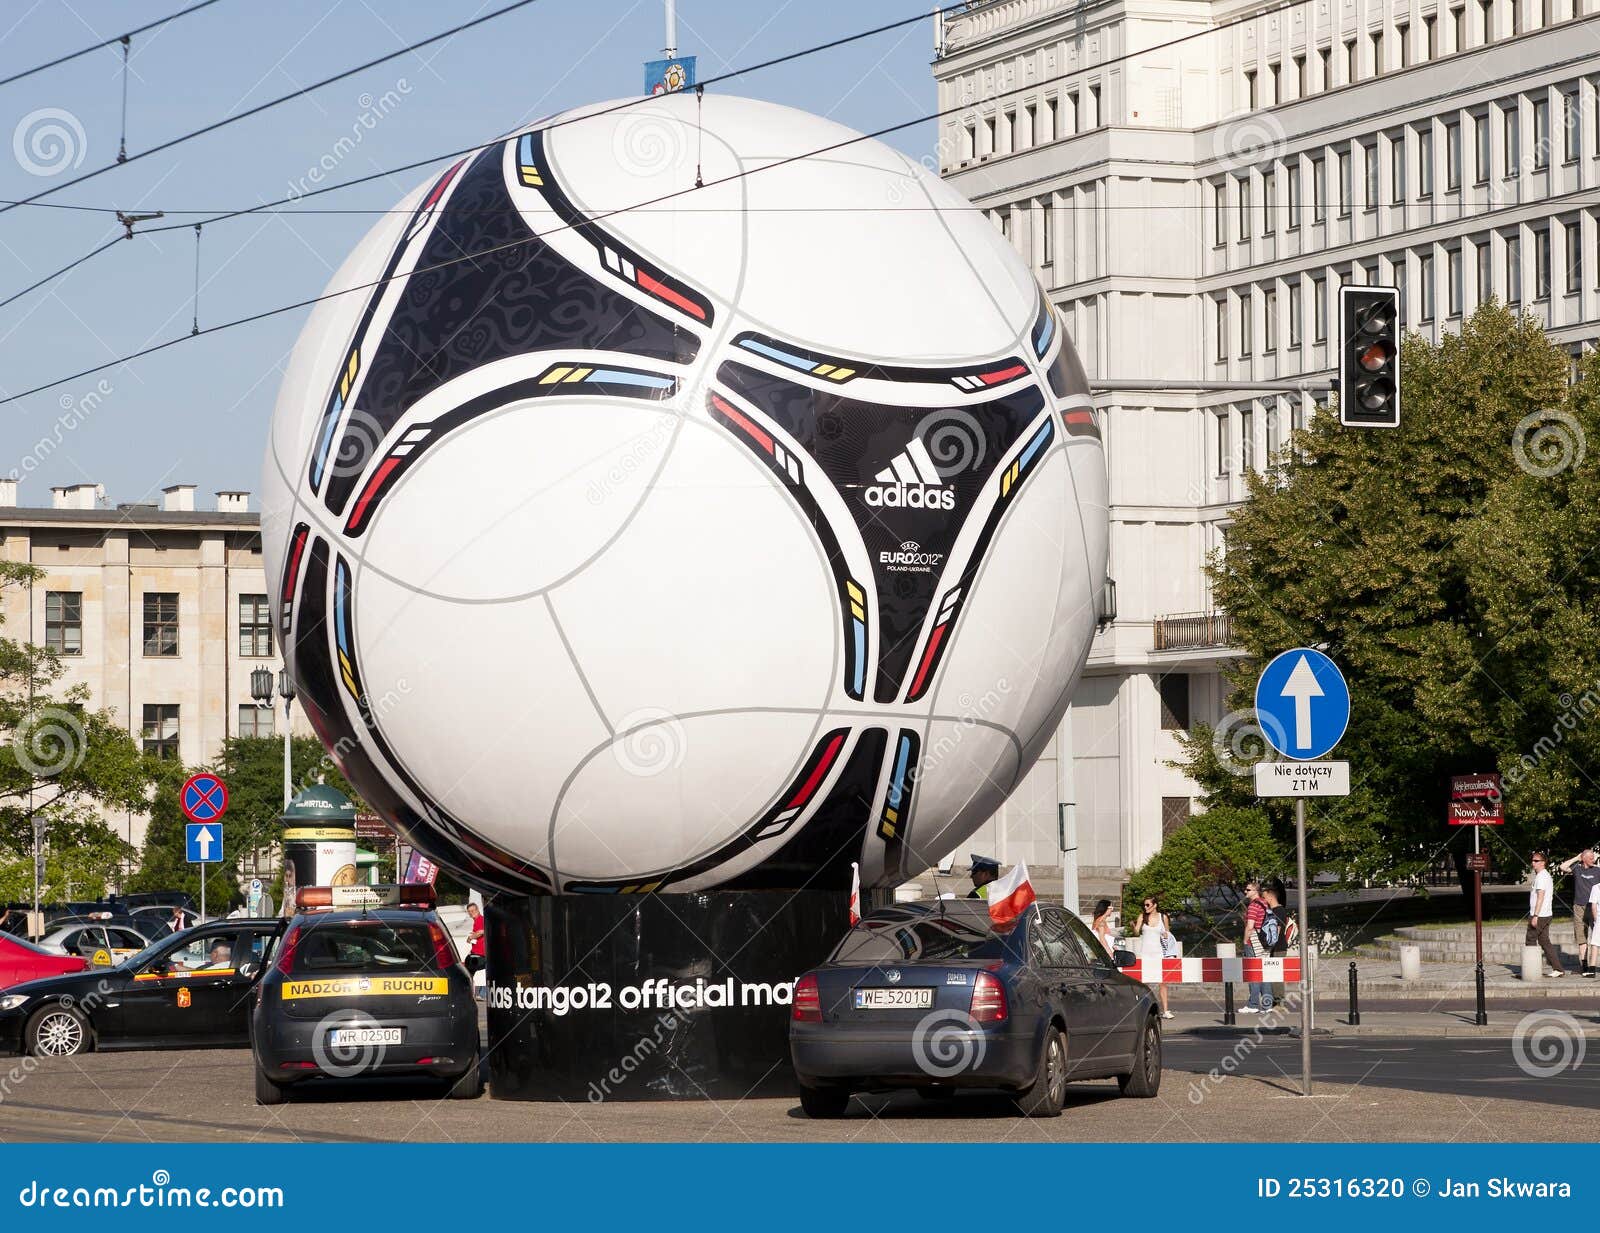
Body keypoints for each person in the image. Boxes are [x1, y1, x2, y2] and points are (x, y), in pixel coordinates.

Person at [1557, 849, 1600, 977]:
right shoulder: (1577, 868)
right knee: (1581, 938)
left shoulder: (1598, 870)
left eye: (1594, 857)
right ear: (1584, 858)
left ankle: (1592, 965)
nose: (1593, 859)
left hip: (1594, 907)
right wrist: (1577, 857)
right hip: (1579, 907)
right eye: (1591, 857)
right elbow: (1562, 867)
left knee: (1597, 936)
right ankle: (1585, 966)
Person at [1133, 895, 1175, 1020]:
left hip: (1159, 953)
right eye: (1144, 905)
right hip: (1145, 953)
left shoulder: (1163, 917)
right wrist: (1133, 926)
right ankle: (1142, 1010)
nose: (1145, 907)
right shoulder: (1142, 916)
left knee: (1162, 983)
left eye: (1148, 905)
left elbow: (1168, 935)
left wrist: (1165, 934)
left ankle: (1166, 1010)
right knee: (1143, 983)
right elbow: (1136, 932)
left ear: (1155, 905)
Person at [1527, 852, 1566, 977]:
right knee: (1544, 941)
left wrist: (1535, 916)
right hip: (1545, 914)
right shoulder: (1542, 876)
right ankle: (1558, 969)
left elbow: (1540, 897)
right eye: (1532, 860)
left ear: (1543, 862)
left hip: (1540, 915)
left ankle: (1531, 971)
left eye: (1536, 860)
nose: (1533, 863)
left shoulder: (1542, 877)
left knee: (1530, 940)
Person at [1240, 879, 1270, 1014]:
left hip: (1254, 941)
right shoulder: (1265, 903)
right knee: (1264, 973)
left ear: (1255, 891)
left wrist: (1245, 941)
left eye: (1248, 890)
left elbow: (1250, 926)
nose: (1245, 892)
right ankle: (1267, 1005)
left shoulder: (1253, 906)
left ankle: (1253, 1005)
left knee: (1254, 973)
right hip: (1265, 942)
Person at [464, 901, 487, 990]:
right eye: (469, 911)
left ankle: (468, 991)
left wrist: (470, 938)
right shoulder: (477, 921)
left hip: (480, 953)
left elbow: (481, 932)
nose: (471, 913)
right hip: (477, 952)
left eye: (473, 910)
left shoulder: (480, 920)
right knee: (471, 971)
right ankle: (477, 992)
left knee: (468, 972)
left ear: (477, 910)